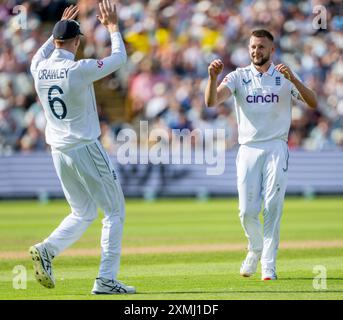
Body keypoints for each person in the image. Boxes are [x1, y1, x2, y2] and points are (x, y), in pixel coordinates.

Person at [29, 1, 135, 294]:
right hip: (86, 147)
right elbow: (119, 58)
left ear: (56, 41)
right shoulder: (78, 69)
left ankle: (47, 250)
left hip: (59, 151)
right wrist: (113, 27)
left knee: (83, 211)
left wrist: (54, 35)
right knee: (114, 211)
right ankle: (106, 279)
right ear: (76, 42)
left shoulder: (39, 69)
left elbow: (37, 57)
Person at [205, 29, 317, 280]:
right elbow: (211, 102)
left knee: (273, 206)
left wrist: (295, 81)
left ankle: (268, 263)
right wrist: (212, 78)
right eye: (253, 47)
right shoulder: (238, 76)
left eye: (262, 47)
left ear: (272, 50)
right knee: (246, 211)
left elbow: (313, 102)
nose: (256, 51)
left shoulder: (284, 75)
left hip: (276, 146)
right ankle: (255, 247)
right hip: (248, 149)